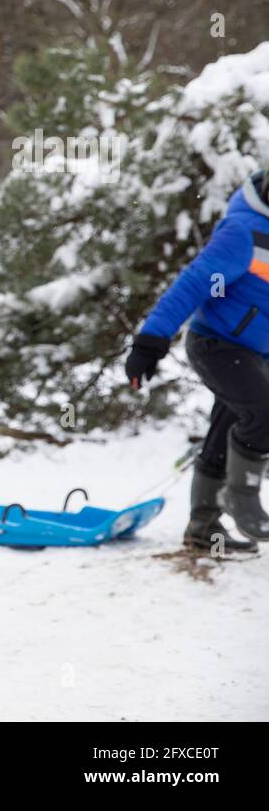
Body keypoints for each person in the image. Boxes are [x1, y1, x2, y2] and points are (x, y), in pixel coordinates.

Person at [126, 168, 269, 553]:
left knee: (226, 433)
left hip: (257, 352)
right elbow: (193, 282)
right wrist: (150, 341)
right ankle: (241, 497)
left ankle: (203, 530)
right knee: (263, 414)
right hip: (218, 346)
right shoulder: (245, 232)